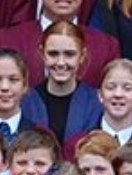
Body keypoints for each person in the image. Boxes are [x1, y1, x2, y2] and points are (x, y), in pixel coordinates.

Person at [24, 22, 104, 151]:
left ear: (82, 56)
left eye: (69, 54)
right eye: (53, 54)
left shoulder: (96, 103)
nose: (61, 62)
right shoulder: (26, 101)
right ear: (42, 54)